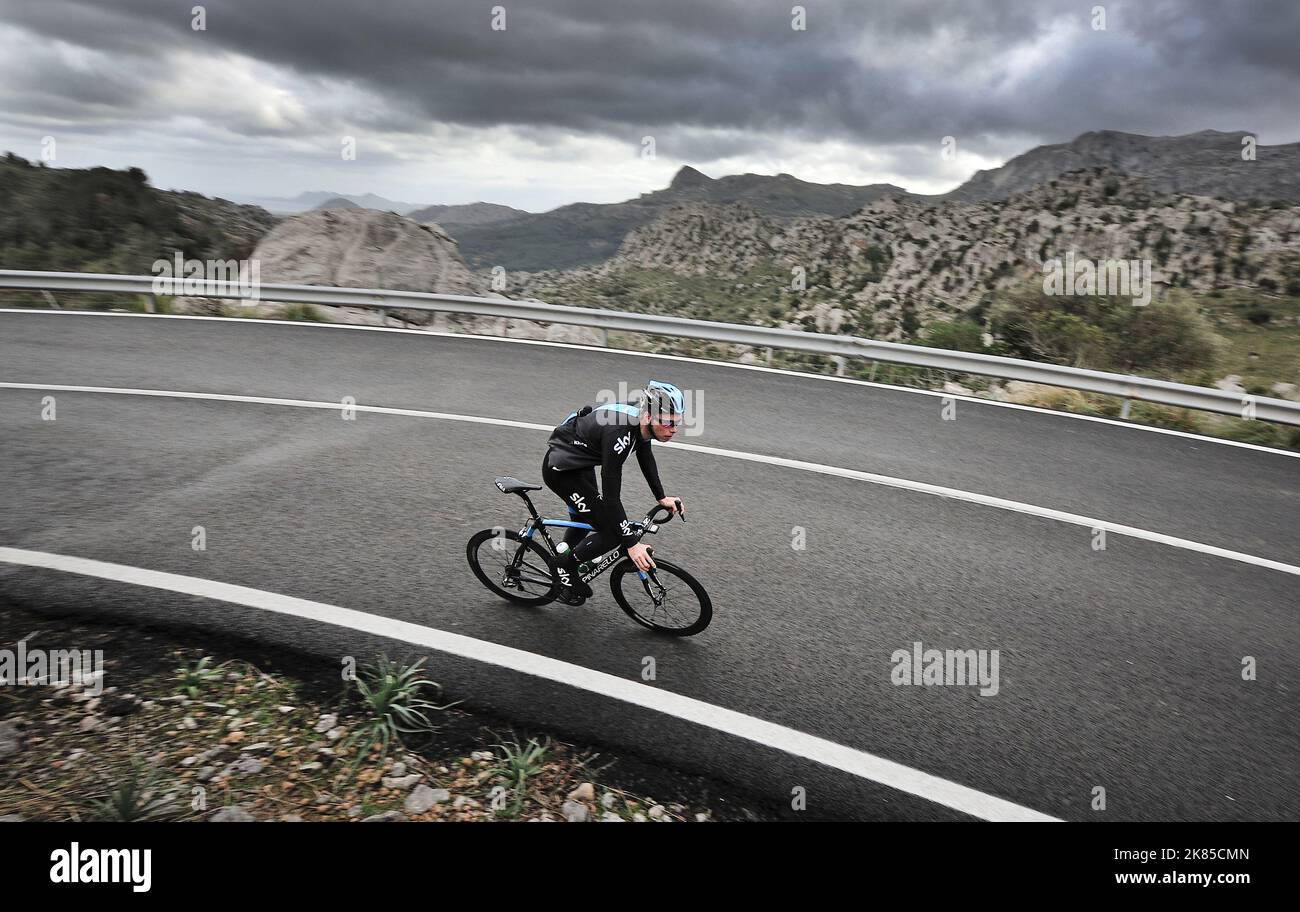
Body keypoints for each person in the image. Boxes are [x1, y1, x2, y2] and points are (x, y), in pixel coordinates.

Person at [542, 380, 686, 599]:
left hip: (580, 461)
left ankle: (567, 550)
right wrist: (631, 543)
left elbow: (645, 454)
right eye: (667, 423)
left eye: (677, 423)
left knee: (589, 523)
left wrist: (661, 497)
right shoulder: (619, 433)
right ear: (648, 417)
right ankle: (563, 566)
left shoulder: (641, 421)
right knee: (612, 532)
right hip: (562, 471)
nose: (673, 430)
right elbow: (612, 498)